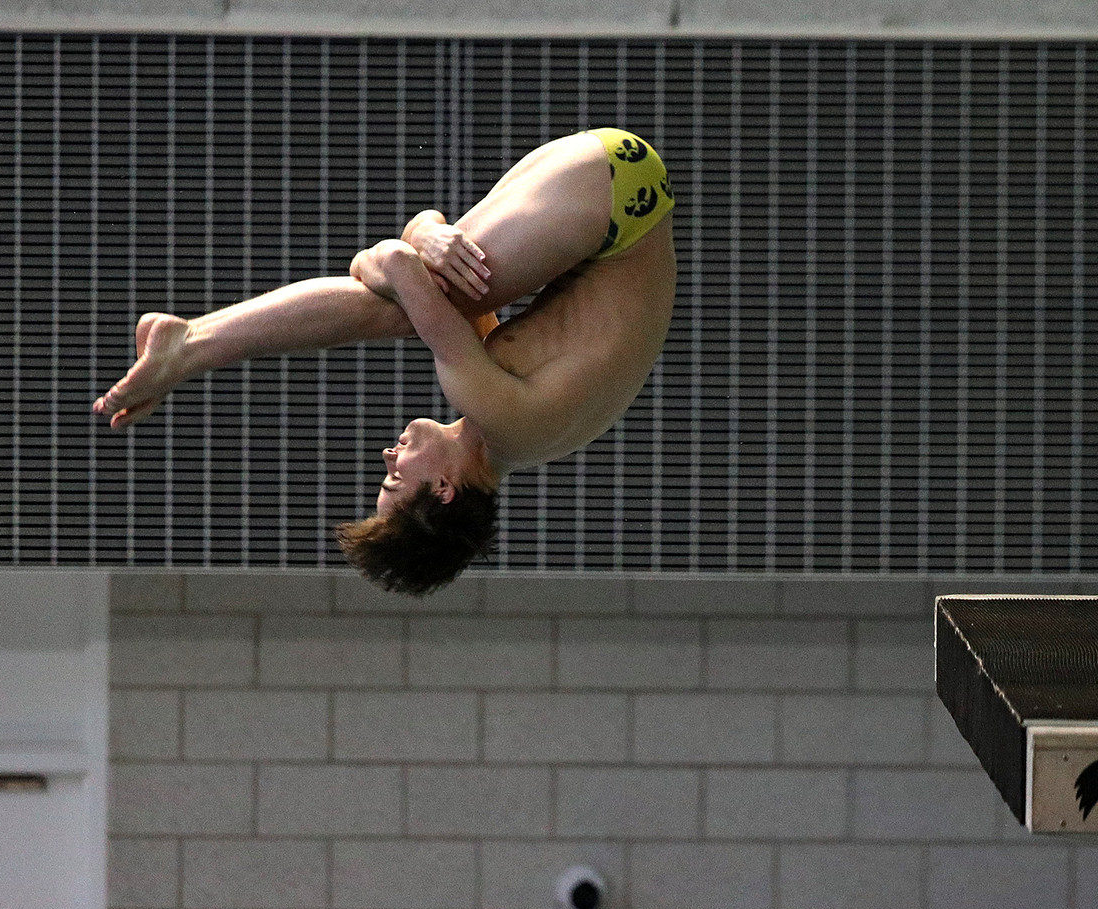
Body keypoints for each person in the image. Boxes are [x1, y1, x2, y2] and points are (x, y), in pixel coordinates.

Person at [92, 127, 677, 594]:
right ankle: (190, 346)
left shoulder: (527, 433)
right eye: (396, 476)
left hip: (619, 188)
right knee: (412, 308)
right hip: (614, 194)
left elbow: (416, 246)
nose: (389, 453)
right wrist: (410, 245)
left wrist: (422, 235)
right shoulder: (495, 412)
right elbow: (398, 264)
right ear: (445, 490)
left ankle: (191, 344)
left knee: (431, 298)